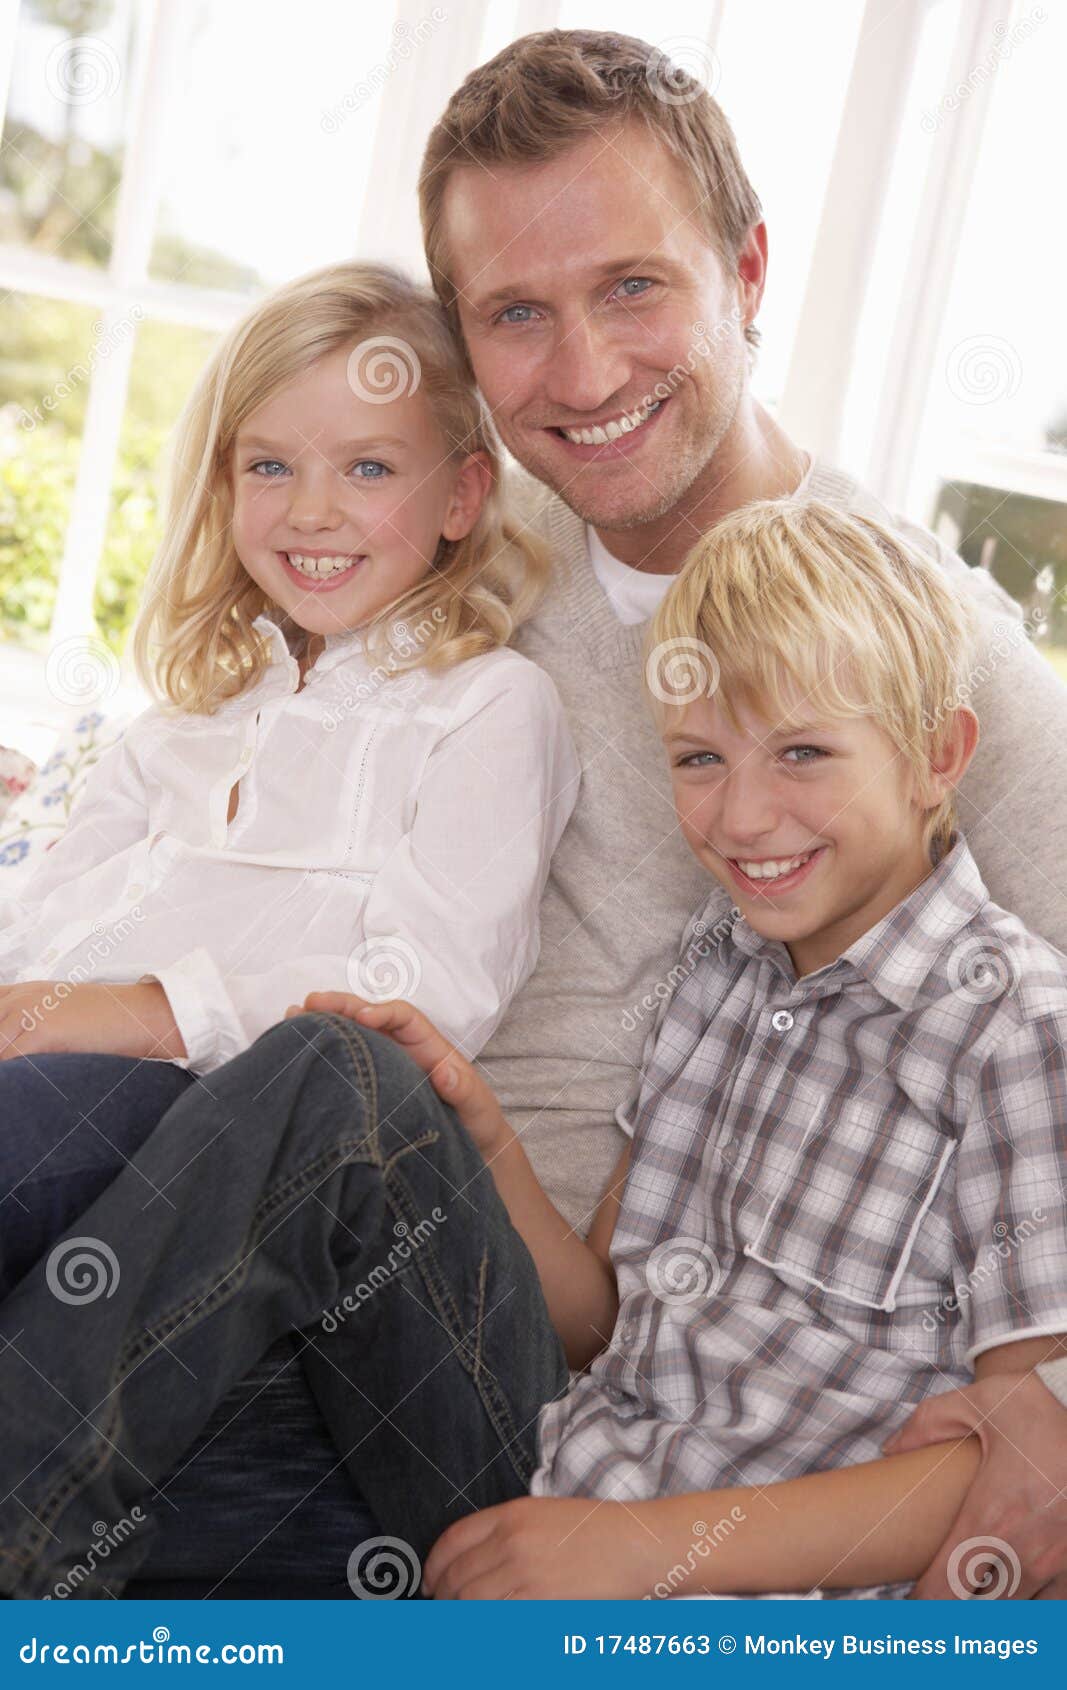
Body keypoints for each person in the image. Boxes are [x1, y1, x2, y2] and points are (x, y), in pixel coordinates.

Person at [5, 29, 1067, 1594]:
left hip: (525, 1391)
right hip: (278, 1279)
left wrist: (1042, 1392)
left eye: (632, 286)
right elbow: (235, 732)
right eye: (514, 313)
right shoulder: (446, 529)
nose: (580, 376)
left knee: (325, 1074)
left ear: (746, 270)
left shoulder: (912, 644)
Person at [2, 499, 1064, 1601]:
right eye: (698, 758)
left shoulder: (1014, 1030)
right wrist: (483, 1144)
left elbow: (1011, 1473)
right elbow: (602, 1320)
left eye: (802, 753)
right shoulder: (721, 969)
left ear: (936, 754)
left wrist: (641, 1550)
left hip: (726, 1593)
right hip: (540, 1478)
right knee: (340, 1071)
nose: (743, 817)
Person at [0, 260, 579, 1295]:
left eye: (367, 470)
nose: (312, 511)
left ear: (460, 494)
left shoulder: (486, 705)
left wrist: (140, 1011)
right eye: (269, 466)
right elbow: (46, 912)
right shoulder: (185, 711)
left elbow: (424, 995)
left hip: (208, 1114)